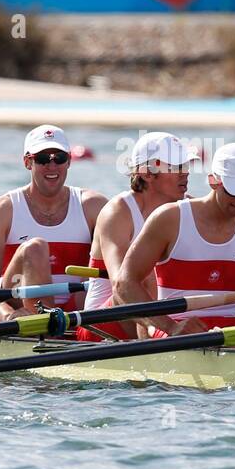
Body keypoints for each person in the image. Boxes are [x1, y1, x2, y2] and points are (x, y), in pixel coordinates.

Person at [116, 143, 235, 337]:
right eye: (233, 191)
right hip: (179, 327)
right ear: (213, 181)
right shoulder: (170, 218)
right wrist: (170, 327)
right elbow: (124, 284)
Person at [0, 125, 106, 319]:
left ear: (69, 161)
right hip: (21, 306)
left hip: (77, 307)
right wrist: (7, 315)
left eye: (59, 158)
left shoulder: (94, 206)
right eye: (43, 159)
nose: (52, 166)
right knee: (35, 248)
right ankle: (43, 319)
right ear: (28, 162)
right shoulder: (1, 209)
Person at [75, 132, 191, 341]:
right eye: (175, 167)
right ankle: (158, 347)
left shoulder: (189, 208)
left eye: (186, 165)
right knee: (139, 274)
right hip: (101, 325)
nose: (185, 173)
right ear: (147, 173)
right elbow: (122, 287)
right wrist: (170, 328)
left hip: (161, 317)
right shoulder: (118, 212)